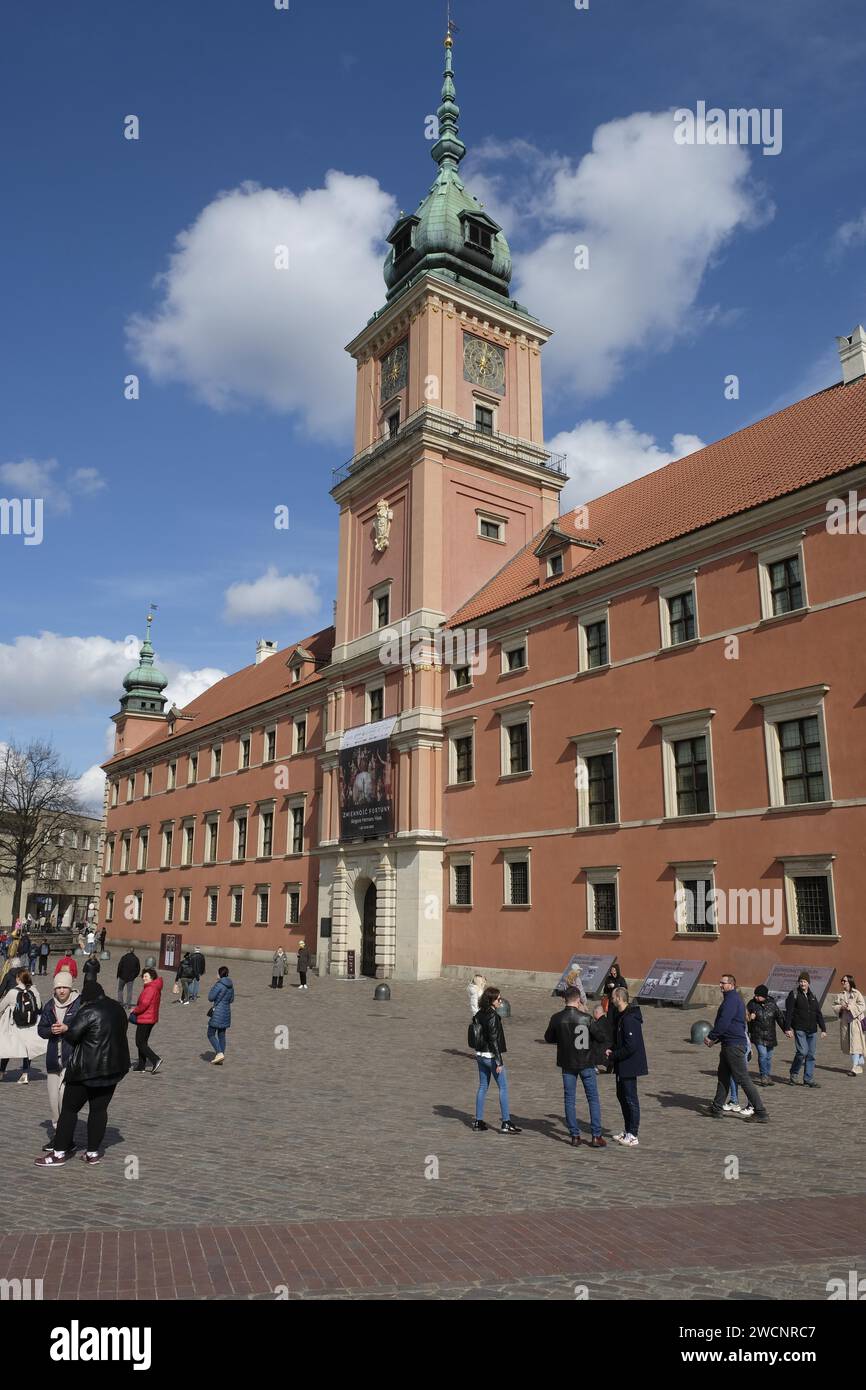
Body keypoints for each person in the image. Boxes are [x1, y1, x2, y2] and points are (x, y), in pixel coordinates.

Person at [34, 983, 130, 1167]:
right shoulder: (117, 1008)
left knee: (69, 1110)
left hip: (86, 1069)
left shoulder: (88, 1011)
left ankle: (59, 1152)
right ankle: (92, 1152)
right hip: (112, 1069)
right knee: (99, 1110)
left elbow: (72, 1035)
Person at [544, 986, 608, 1147]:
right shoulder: (586, 1018)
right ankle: (596, 1135)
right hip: (586, 1062)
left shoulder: (557, 1018)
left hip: (567, 1063)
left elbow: (549, 1037)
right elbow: (601, 1037)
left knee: (569, 1099)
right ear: (578, 999)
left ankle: (575, 1135)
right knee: (592, 1098)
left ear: (564, 999)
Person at [703, 975, 768, 1122]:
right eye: (720, 982)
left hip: (734, 1046)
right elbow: (730, 1025)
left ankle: (761, 1112)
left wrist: (712, 1037)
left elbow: (724, 1022)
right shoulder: (731, 999)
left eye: (723, 983)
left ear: (731, 985)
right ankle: (716, 1108)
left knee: (743, 1078)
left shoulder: (732, 1000)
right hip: (729, 1044)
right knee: (723, 1076)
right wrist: (717, 1040)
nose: (720, 985)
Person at [36, 970, 81, 1151]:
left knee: (64, 1100)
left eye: (65, 987)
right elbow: (41, 1029)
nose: (61, 991)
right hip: (54, 1060)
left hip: (72, 1060)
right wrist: (50, 1031)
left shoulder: (79, 1005)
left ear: (70, 988)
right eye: (58, 987)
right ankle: (59, 1136)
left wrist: (67, 1028)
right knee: (54, 1101)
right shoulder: (50, 1006)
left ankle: (66, 1138)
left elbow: (84, 1028)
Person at [470, 985, 521, 1134]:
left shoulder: (479, 1014)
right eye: (498, 999)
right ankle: (506, 1122)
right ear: (491, 1000)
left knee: (482, 1086)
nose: (500, 1001)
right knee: (503, 1088)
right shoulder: (492, 1016)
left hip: (480, 1055)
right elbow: (493, 1040)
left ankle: (478, 1121)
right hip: (491, 1057)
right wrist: (499, 1061)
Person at [605, 986, 649, 1146]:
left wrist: (614, 1055)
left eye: (613, 997)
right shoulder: (621, 1016)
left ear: (619, 998)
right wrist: (612, 1049)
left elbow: (631, 1046)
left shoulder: (629, 1019)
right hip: (621, 1064)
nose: (611, 1000)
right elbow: (620, 1040)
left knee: (630, 1099)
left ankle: (633, 1134)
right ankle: (628, 1130)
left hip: (629, 1065)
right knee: (621, 1096)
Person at [0, 969, 47, 1084]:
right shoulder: (34, 990)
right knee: (28, 1049)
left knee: (8, 1047)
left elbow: (1, 1006)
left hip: (15, 1025)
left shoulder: (12, 992)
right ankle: (25, 1074)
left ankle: (1, 1072)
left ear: (18, 979)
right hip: (31, 1025)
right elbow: (39, 1007)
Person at [784, 971, 827, 1086]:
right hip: (800, 1028)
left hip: (812, 1030)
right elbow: (789, 1012)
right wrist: (787, 1028)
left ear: (809, 983)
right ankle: (794, 1073)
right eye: (801, 981)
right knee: (802, 1052)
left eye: (805, 981)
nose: (803, 984)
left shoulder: (813, 996)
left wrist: (823, 1029)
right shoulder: (794, 994)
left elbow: (818, 1013)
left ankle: (808, 1079)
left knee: (811, 1055)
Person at [746, 984, 786, 1086]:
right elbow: (745, 1017)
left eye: (758, 995)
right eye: (755, 995)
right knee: (763, 1055)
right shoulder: (752, 1004)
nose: (756, 997)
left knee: (768, 1057)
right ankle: (763, 1075)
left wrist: (786, 1029)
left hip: (770, 1035)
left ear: (764, 996)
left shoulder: (772, 1004)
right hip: (757, 1034)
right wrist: (750, 1017)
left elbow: (780, 1017)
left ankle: (767, 1075)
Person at [129, 968, 163, 1073]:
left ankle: (155, 1059)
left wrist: (135, 1010)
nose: (144, 978)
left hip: (145, 1018)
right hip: (150, 1018)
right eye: (143, 976)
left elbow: (144, 1004)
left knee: (139, 1042)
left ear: (152, 977)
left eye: (146, 976)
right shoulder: (153, 987)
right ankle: (141, 1065)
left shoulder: (150, 988)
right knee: (143, 1042)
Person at [832, 974, 866, 1076]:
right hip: (845, 1024)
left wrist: (851, 1007)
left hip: (855, 1023)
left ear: (850, 982)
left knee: (855, 1044)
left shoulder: (856, 993)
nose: (842, 982)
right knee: (850, 1045)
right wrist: (841, 1007)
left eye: (844, 981)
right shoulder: (840, 995)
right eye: (842, 981)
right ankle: (859, 1062)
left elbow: (862, 1006)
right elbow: (834, 1006)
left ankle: (855, 1068)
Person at [207, 966, 234, 1064]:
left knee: (210, 1034)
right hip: (226, 1012)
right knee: (222, 1035)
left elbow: (210, 997)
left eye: (217, 973)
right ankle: (220, 1058)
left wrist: (213, 987)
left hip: (217, 1012)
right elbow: (231, 1000)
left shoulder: (219, 985)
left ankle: (219, 1053)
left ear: (220, 974)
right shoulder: (231, 985)